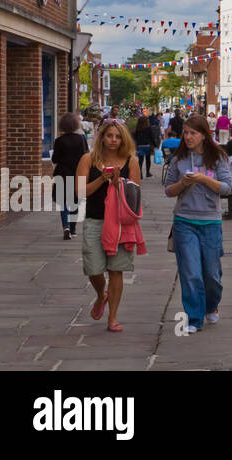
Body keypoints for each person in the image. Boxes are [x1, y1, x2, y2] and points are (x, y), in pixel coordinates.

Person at [164, 115, 232, 333]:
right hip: (184, 221)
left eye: (192, 133)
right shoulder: (178, 159)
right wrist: (182, 183)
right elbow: (168, 191)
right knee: (191, 273)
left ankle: (212, 306)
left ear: (204, 135)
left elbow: (226, 188)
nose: (187, 137)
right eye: (185, 132)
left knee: (212, 275)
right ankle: (194, 318)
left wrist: (204, 179)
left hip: (210, 222)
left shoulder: (217, 158)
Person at [75, 119, 141, 332]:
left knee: (116, 270)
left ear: (123, 139)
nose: (113, 140)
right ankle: (101, 294)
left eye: (118, 136)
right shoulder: (88, 159)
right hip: (95, 220)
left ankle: (112, 317)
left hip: (120, 223)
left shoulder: (130, 162)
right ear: (102, 137)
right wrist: (102, 179)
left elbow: (135, 196)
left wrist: (119, 184)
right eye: (110, 135)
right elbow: (80, 192)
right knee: (93, 269)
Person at [52, 112, 88, 239]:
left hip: (62, 173)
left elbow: (55, 159)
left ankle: (65, 226)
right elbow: (86, 156)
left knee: (63, 203)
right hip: (78, 174)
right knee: (75, 202)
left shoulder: (59, 141)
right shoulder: (81, 139)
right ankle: (73, 230)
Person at [133, 111, 156, 178]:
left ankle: (140, 174)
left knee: (140, 160)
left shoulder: (137, 128)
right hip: (147, 145)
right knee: (148, 159)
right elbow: (152, 137)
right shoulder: (148, 128)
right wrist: (154, 145)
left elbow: (135, 137)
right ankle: (147, 173)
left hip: (140, 146)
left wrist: (136, 145)